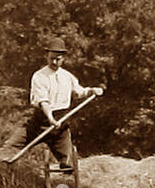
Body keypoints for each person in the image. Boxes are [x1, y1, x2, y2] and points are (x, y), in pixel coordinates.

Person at [12, 36, 104, 170]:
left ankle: (66, 184)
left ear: (64, 58)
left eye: (58, 59)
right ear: (46, 56)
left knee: (69, 165)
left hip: (60, 126)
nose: (54, 62)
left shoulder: (67, 77)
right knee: (9, 149)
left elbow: (79, 92)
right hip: (39, 123)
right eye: (51, 58)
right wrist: (51, 119)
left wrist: (92, 90)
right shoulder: (39, 76)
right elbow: (44, 101)